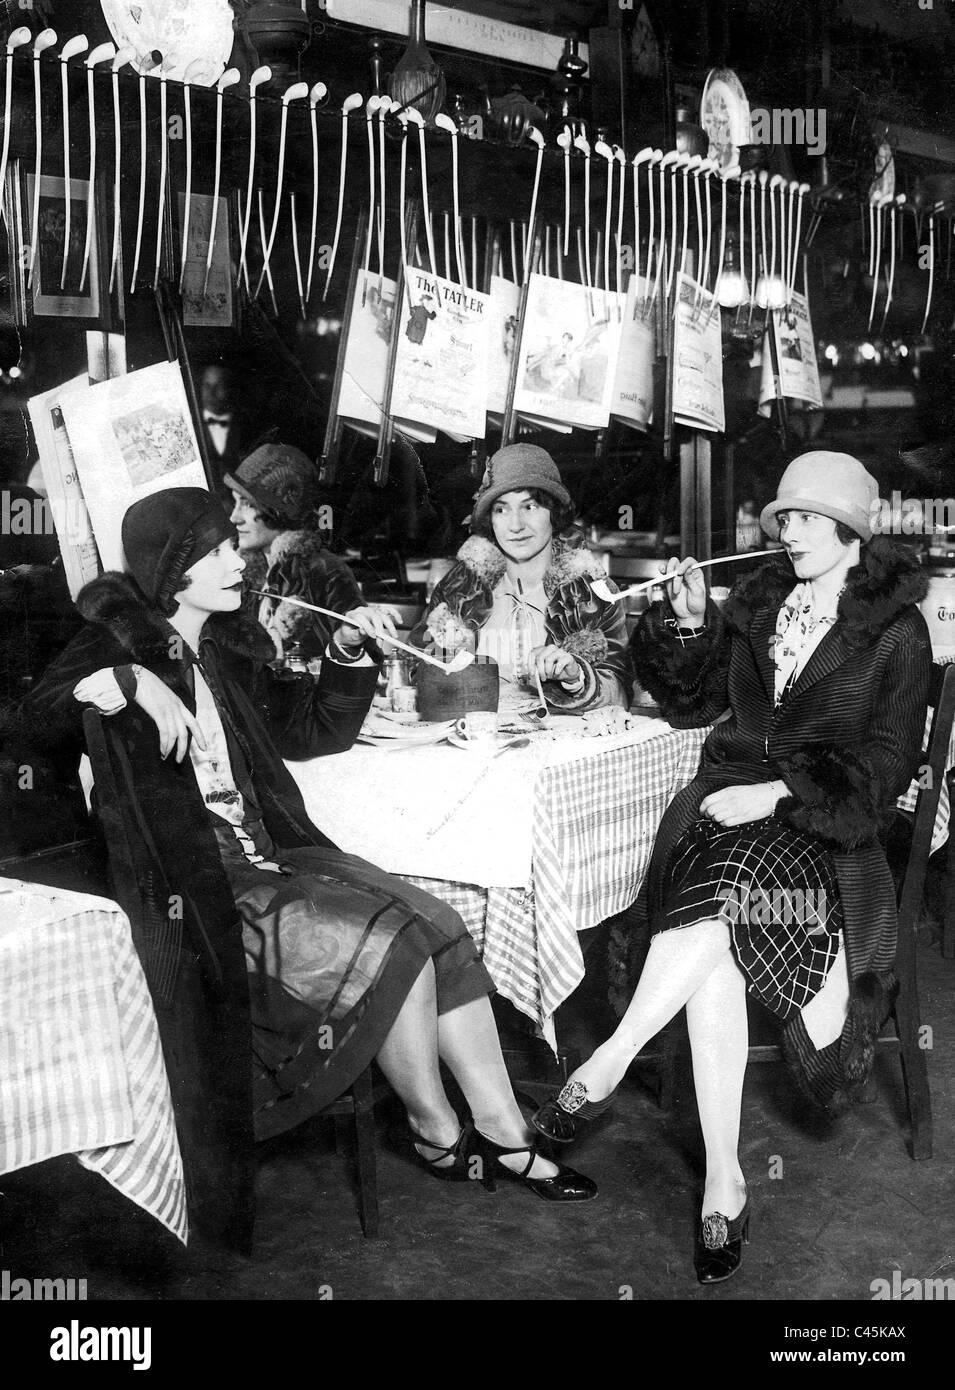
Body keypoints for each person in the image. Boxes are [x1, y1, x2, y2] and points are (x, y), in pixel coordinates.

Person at [21, 488, 595, 1225]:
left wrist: (345, 654)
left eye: (236, 544)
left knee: (439, 920)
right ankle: (434, 1129)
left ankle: (505, 1130)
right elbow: (28, 727)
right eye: (220, 550)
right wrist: (119, 680)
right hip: (198, 880)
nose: (240, 559)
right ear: (175, 568)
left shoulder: (225, 647)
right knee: (391, 942)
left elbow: (312, 733)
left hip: (269, 854)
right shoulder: (114, 647)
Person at [532, 452, 931, 1283]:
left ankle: (607, 1058)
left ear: (851, 528)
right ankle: (724, 1181)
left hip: (826, 835)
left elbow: (885, 770)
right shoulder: (760, 604)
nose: (788, 534)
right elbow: (689, 702)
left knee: (721, 898)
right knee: (712, 934)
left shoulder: (895, 629)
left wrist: (779, 794)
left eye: (807, 520)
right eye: (781, 519)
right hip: (722, 814)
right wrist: (686, 625)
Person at [410, 444, 630, 711]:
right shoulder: (460, 588)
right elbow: (414, 667)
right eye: (501, 509)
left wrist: (576, 678)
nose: (515, 525)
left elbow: (619, 690)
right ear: (489, 519)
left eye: (531, 506)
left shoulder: (594, 594)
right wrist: (440, 659)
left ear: (555, 512)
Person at [226, 442, 369, 663]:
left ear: (278, 509)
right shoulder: (238, 572)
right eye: (235, 503)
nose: (234, 518)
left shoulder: (324, 570)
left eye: (247, 504)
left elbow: (357, 653)